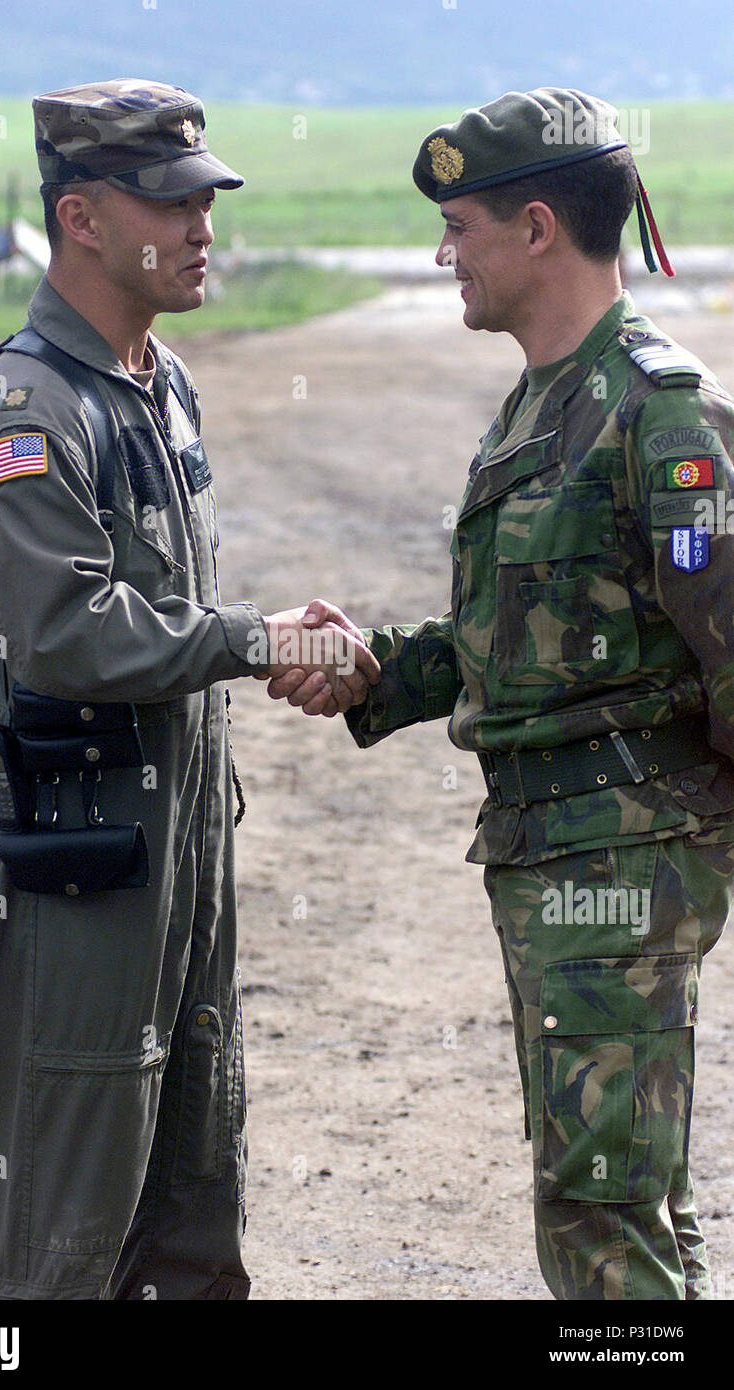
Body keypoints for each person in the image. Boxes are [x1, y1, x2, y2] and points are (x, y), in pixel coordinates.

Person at [270, 88, 734, 1300]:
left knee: (597, 1208)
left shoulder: (654, 411)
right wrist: (374, 665)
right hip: (552, 854)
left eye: (459, 226)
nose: (441, 254)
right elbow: (521, 634)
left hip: (618, 862)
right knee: (620, 1196)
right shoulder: (541, 402)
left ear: (536, 229)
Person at [0, 78, 378, 1301]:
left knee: (189, 1211)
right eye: (172, 203)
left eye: (207, 201)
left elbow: (169, 610)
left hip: (180, 855)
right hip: (81, 873)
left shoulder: (157, 383)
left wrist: (265, 639)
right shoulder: (29, 411)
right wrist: (254, 639)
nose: (202, 228)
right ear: (82, 219)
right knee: (58, 1241)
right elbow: (62, 632)